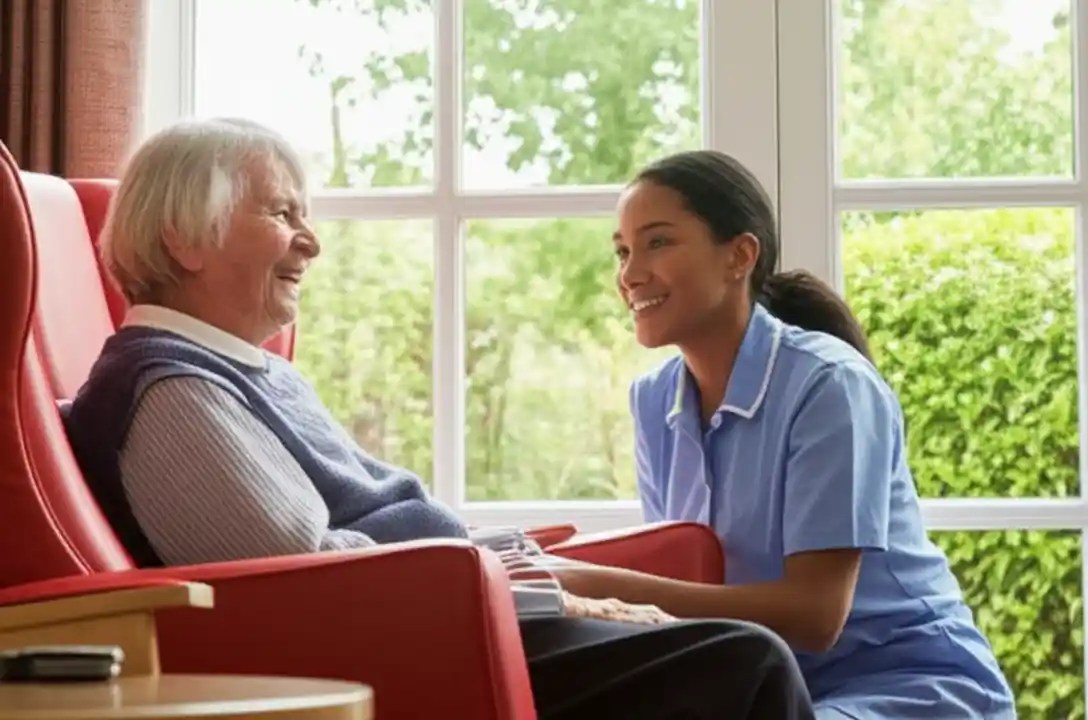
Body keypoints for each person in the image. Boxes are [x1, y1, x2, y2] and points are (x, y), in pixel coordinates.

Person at [61, 118, 815, 720]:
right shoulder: (168, 392)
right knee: (746, 663)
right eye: (282, 213)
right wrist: (543, 591)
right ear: (183, 238)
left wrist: (518, 573)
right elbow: (312, 581)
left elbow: (360, 546)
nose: (311, 241)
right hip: (412, 646)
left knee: (736, 658)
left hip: (450, 615)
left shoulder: (240, 370)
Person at [551, 149, 1017, 719]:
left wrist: (595, 585)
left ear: (739, 256)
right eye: (623, 252)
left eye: (658, 243)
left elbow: (817, 615)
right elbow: (683, 579)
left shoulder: (830, 385)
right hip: (765, 689)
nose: (630, 273)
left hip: (910, 686)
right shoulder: (654, 402)